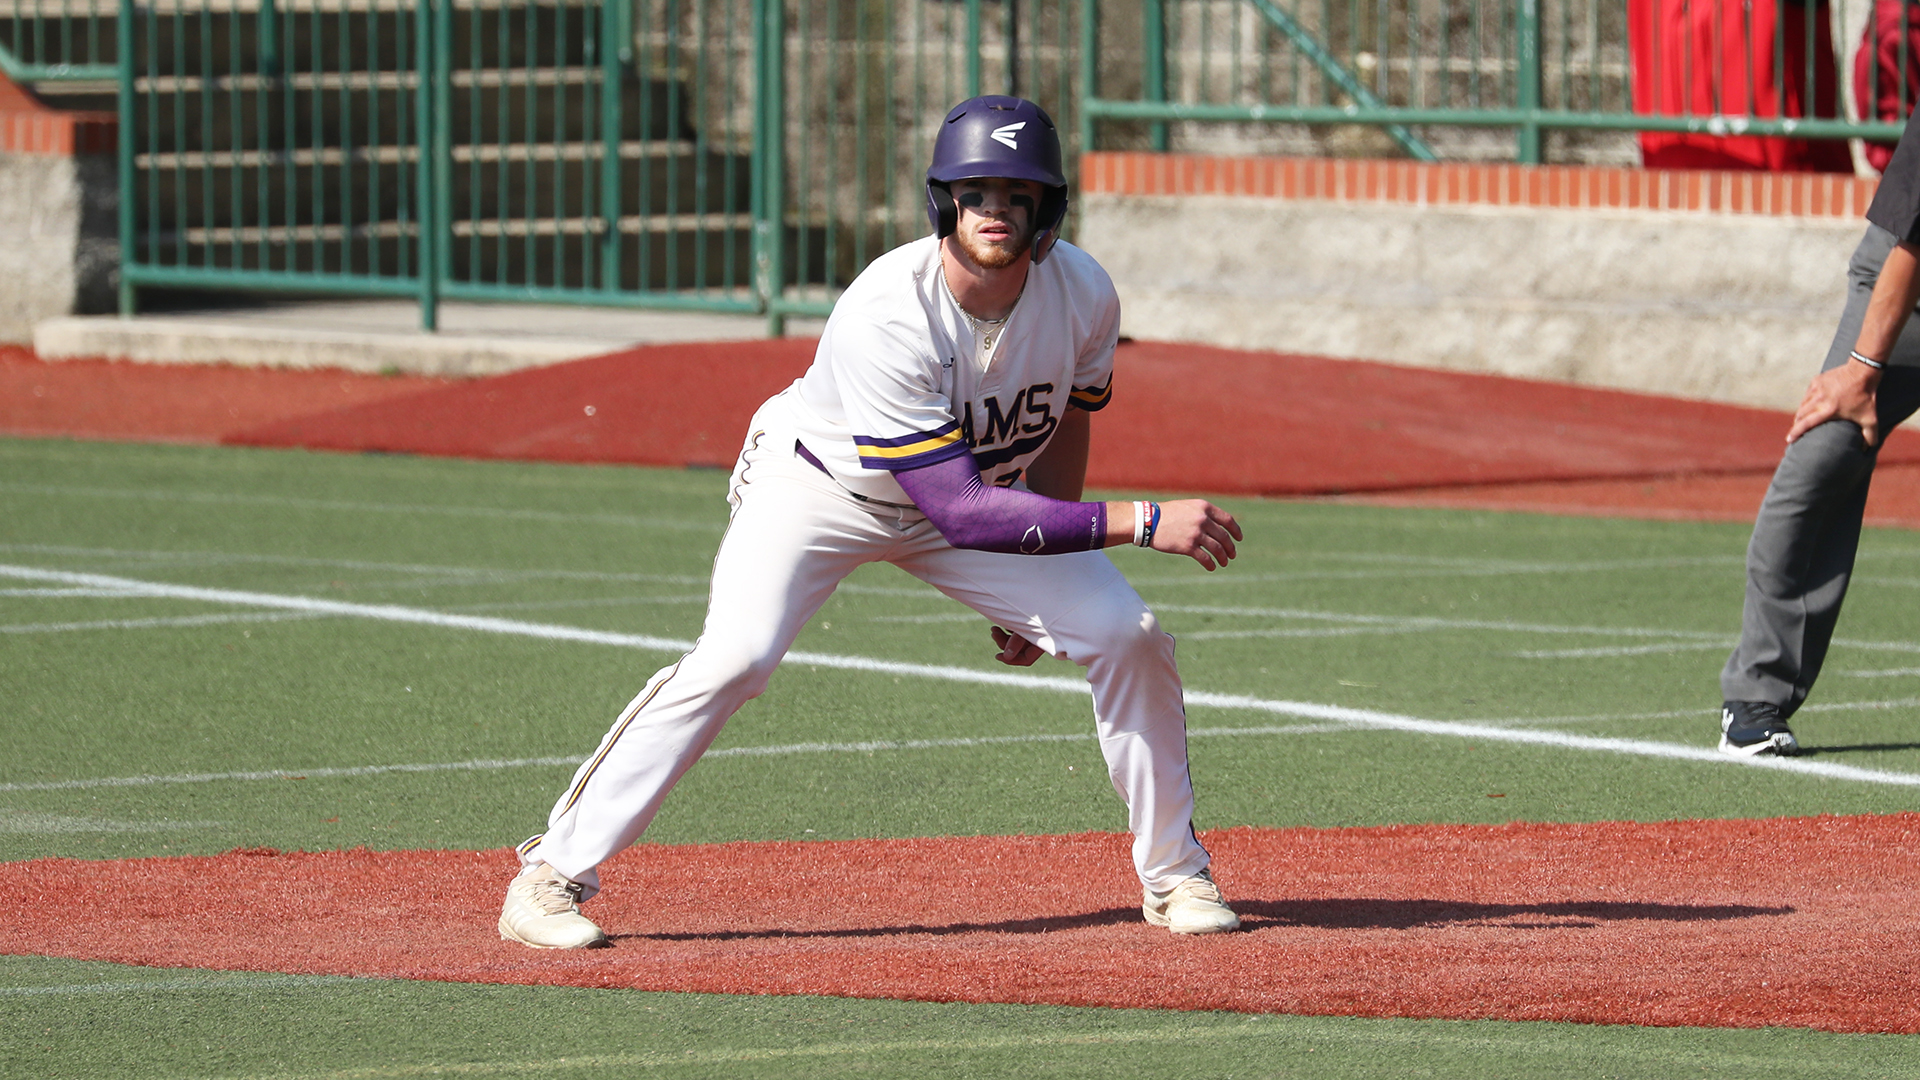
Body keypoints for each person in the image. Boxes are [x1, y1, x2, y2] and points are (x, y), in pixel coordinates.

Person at [497, 95, 1247, 947]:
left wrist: (1050, 547)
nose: (994, 210)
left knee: (1129, 632)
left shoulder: (1083, 292)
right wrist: (1142, 520)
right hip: (819, 490)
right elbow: (957, 510)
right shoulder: (888, 309)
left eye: (1016, 193)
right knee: (737, 657)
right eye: (975, 193)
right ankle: (550, 875)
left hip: (984, 500)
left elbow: (1066, 420)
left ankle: (1176, 877)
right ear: (944, 204)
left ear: (1047, 208)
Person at [1719, 106, 1920, 755]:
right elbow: (1914, 238)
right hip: (1908, 281)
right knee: (1828, 448)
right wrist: (1861, 369)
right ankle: (1756, 694)